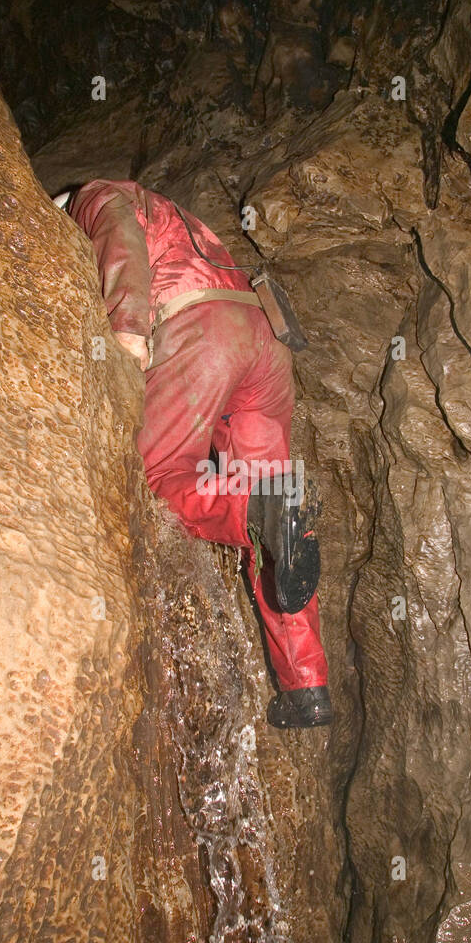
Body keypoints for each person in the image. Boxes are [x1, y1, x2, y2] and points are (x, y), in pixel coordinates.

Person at [56, 179, 331, 728]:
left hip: (204, 329)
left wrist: (127, 328)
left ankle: (254, 508)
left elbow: (118, 234)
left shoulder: (95, 194)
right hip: (265, 340)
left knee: (158, 475)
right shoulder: (180, 215)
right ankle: (307, 688)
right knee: (280, 516)